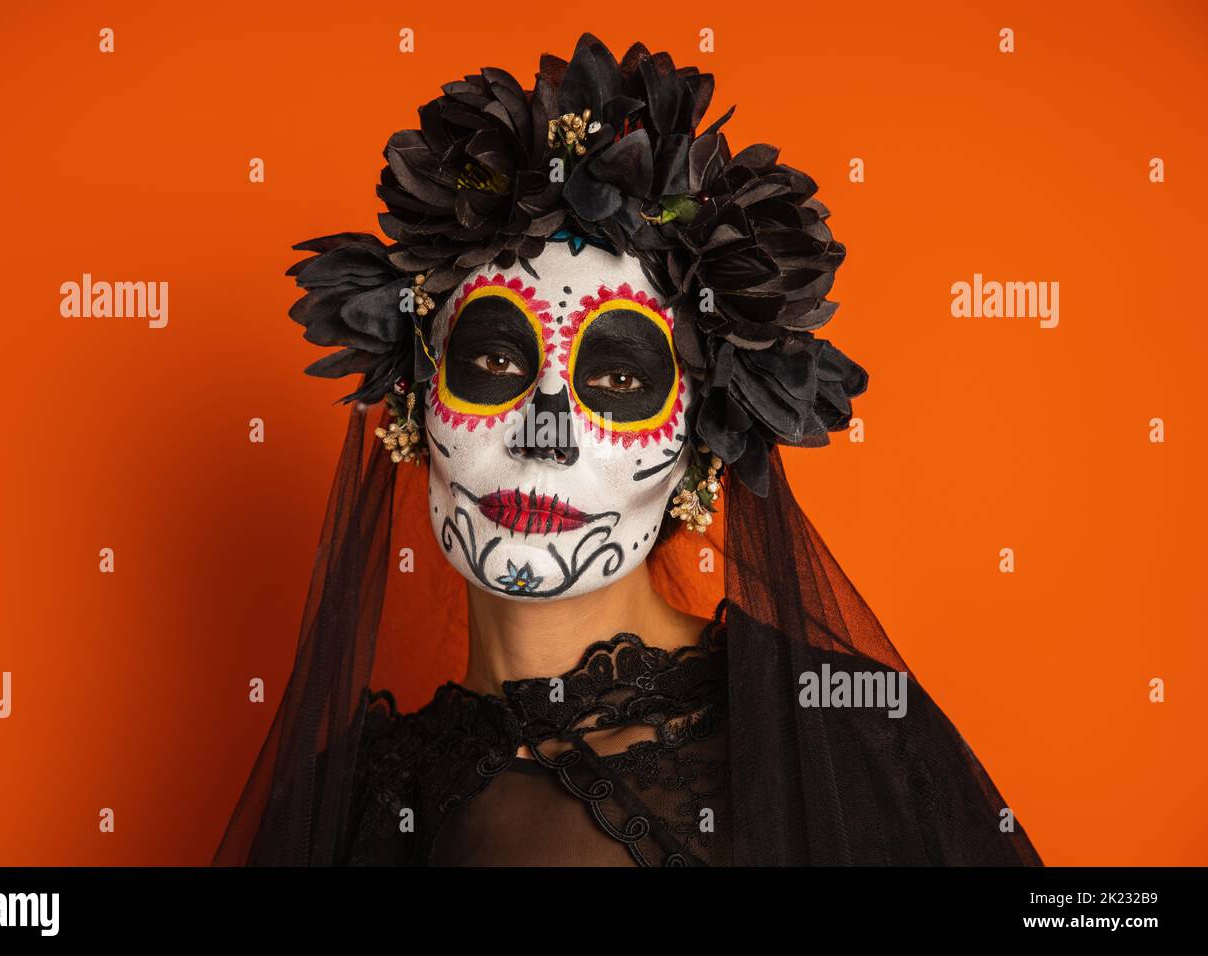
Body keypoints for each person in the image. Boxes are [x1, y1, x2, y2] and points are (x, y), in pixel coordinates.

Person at [214, 34, 1043, 867]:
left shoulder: (843, 740)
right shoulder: (357, 808)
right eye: (497, 362)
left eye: (614, 381)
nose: (545, 433)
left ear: (702, 443)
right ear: (414, 399)